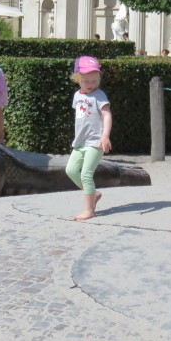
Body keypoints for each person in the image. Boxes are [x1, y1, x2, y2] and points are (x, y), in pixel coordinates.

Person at [65, 56, 112, 221]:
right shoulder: (77, 96)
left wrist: (105, 136)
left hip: (95, 142)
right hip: (80, 142)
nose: (90, 84)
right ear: (77, 79)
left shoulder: (99, 95)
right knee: (71, 170)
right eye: (86, 81)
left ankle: (89, 209)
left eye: (94, 80)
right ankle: (94, 194)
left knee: (86, 174)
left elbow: (107, 115)